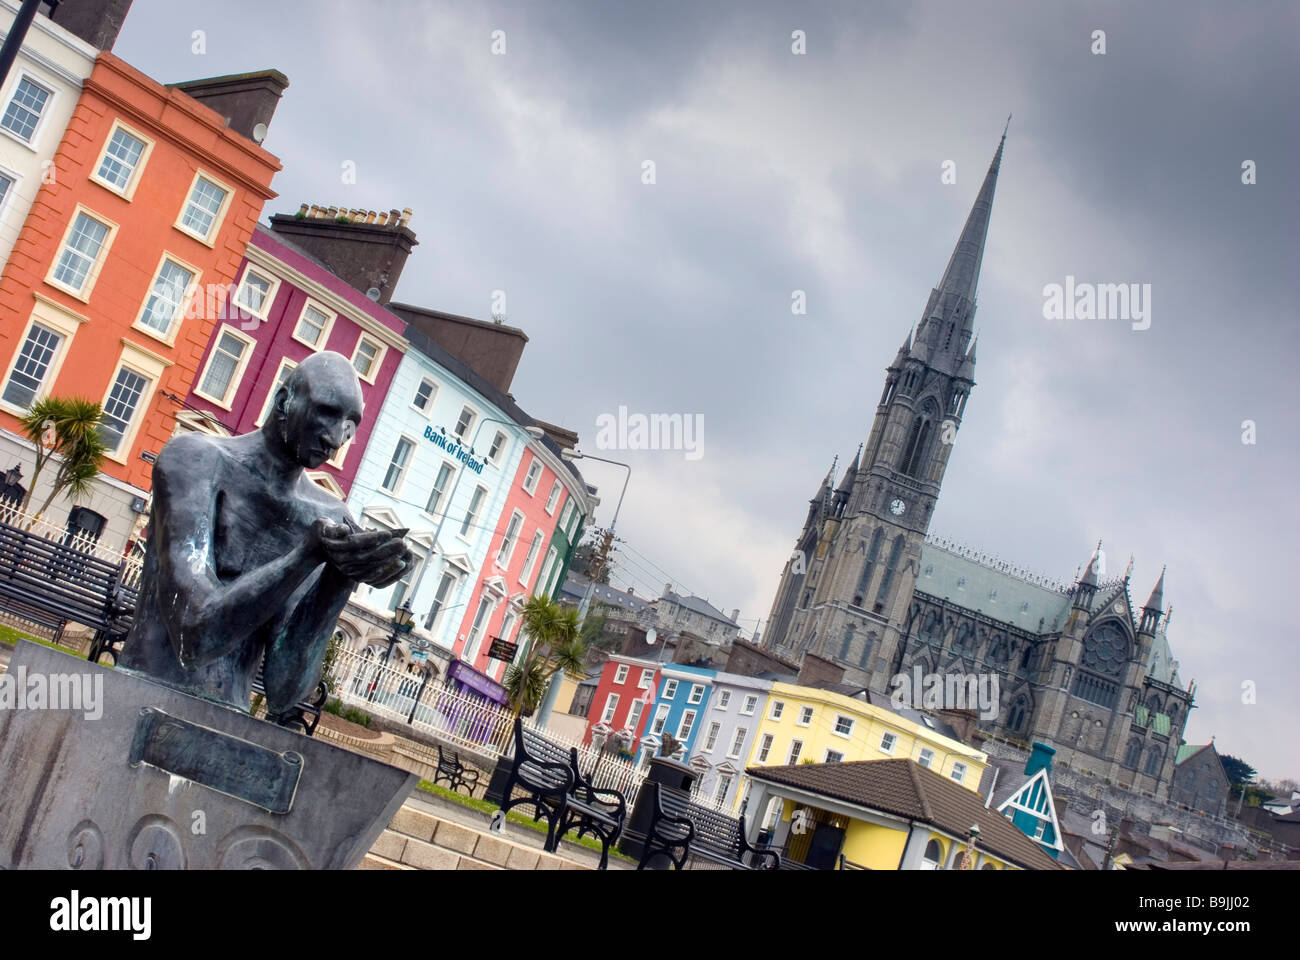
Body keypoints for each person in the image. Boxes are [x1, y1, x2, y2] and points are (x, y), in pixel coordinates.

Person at [118, 351, 412, 717]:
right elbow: (193, 637)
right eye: (326, 412)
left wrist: (340, 579)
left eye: (351, 424)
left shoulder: (330, 515)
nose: (337, 438)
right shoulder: (196, 460)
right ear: (284, 401)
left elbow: (284, 690)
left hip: (229, 718)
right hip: (144, 695)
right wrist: (306, 554)